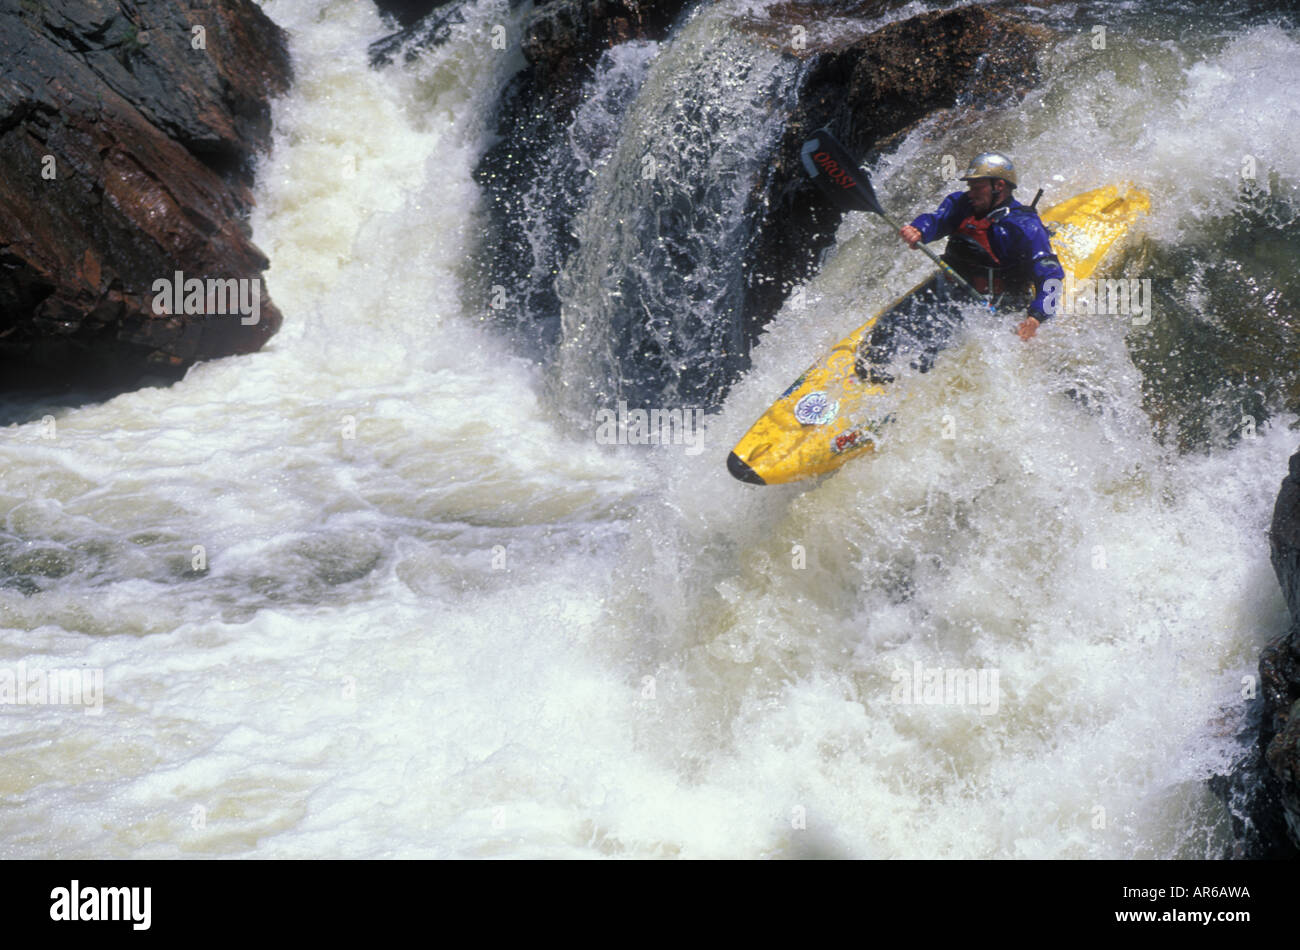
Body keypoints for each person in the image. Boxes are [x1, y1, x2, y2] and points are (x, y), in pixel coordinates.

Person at [857, 152, 1065, 383]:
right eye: (970, 187)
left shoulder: (1025, 227)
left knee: (928, 357)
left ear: (1000, 186)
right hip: (946, 289)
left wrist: (1036, 317)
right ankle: (863, 378)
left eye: (978, 187)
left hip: (991, 304)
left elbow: (1052, 278)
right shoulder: (961, 204)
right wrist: (920, 229)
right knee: (886, 328)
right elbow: (937, 220)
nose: (971, 193)